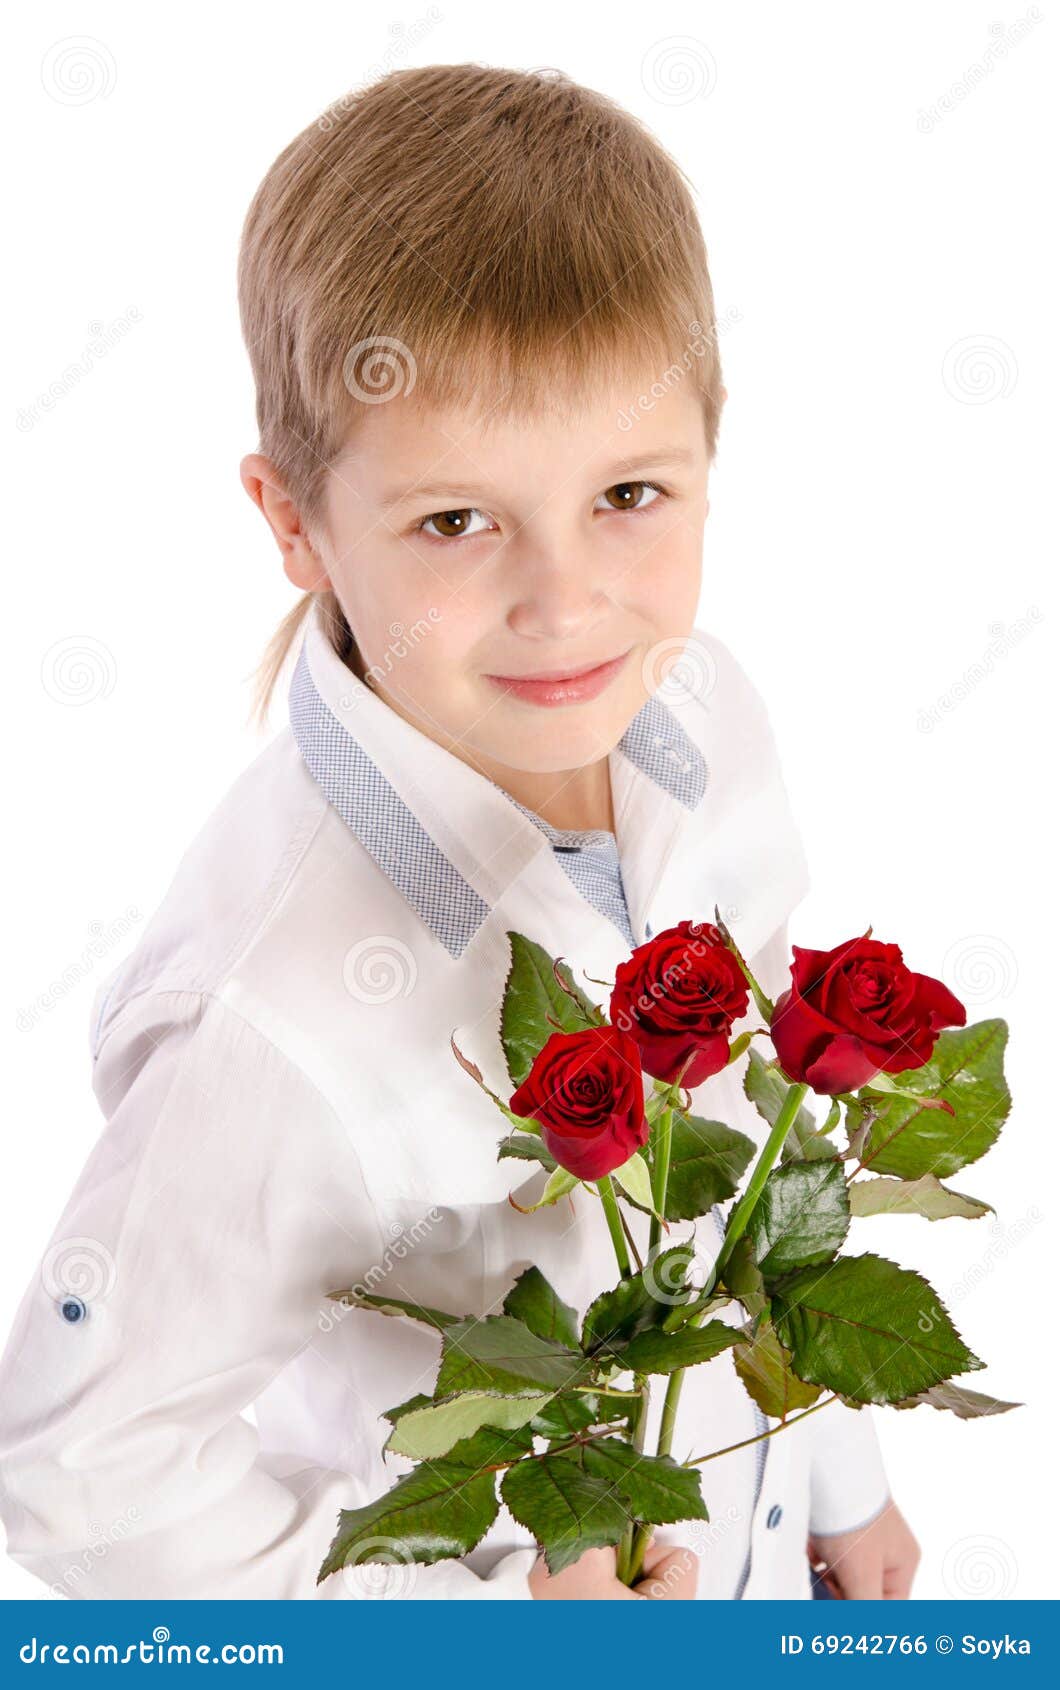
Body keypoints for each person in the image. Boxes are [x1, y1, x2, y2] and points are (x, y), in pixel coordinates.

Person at [0, 63, 918, 1601]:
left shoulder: (703, 716)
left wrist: (834, 1471)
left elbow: (747, 1132)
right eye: (453, 521)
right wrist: (470, 1623)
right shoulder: (275, 1014)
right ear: (294, 521)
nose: (567, 603)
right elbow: (76, 1467)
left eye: (630, 491)